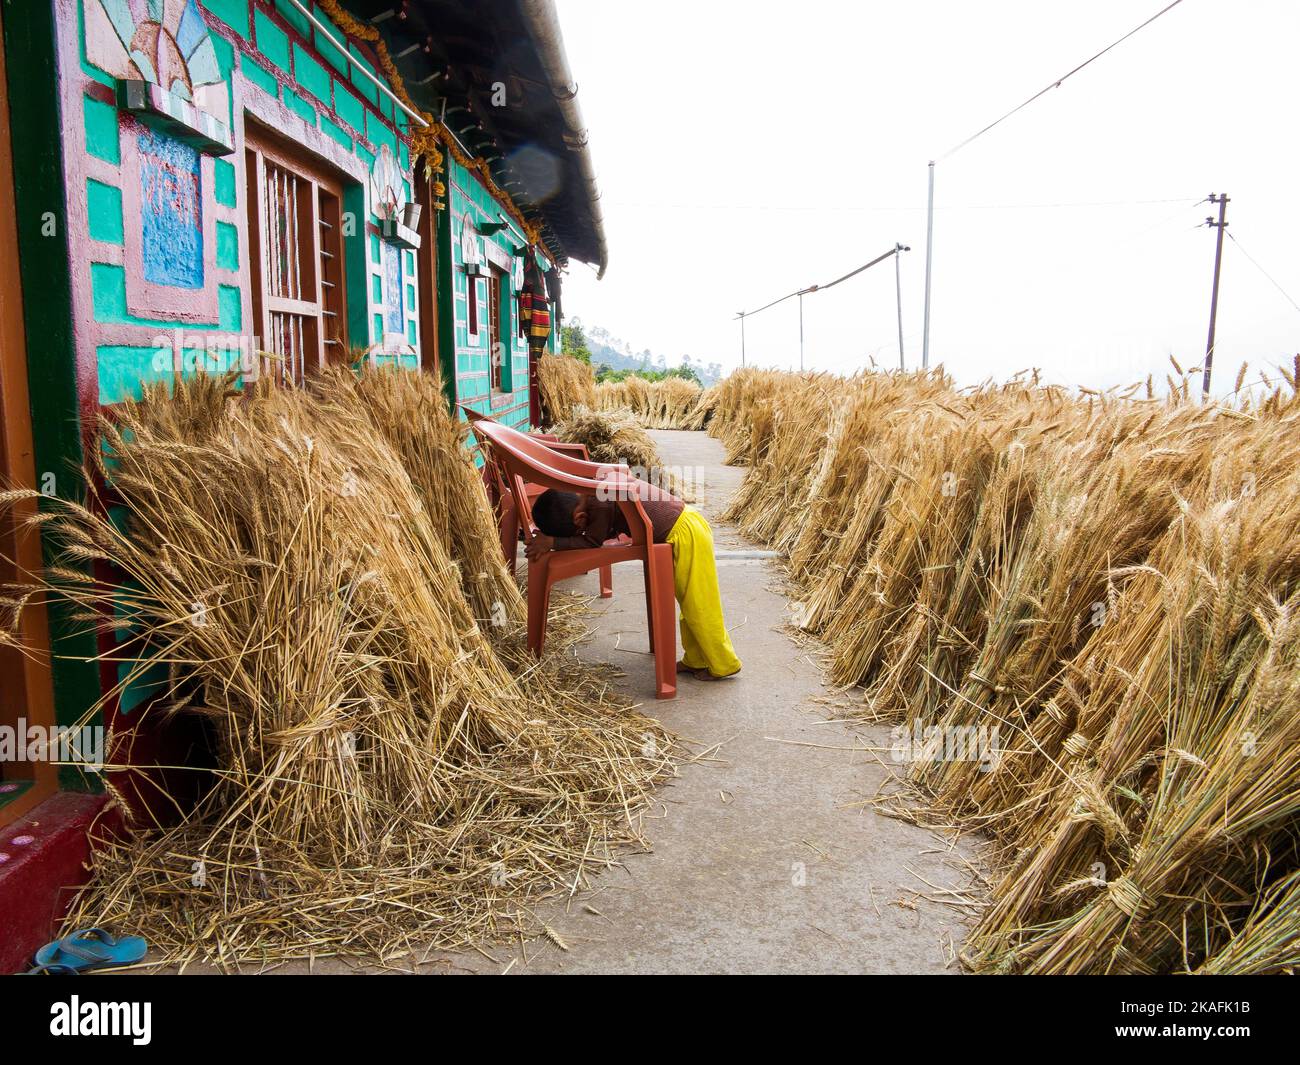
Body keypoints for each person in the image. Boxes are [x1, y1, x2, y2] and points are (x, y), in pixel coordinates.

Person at [526, 486, 742, 680]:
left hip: (686, 533)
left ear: (579, 517)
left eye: (579, 529)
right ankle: (697, 659)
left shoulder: (599, 504)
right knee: (689, 601)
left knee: (699, 602)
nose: (583, 530)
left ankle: (723, 664)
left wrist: (553, 542)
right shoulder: (593, 492)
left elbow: (591, 541)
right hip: (684, 529)